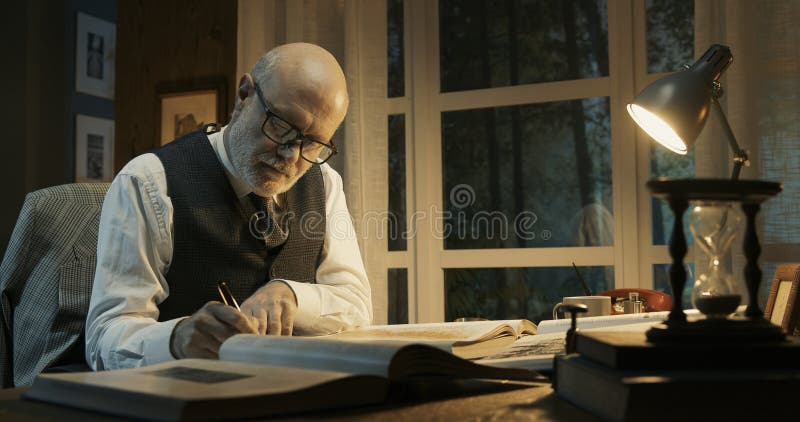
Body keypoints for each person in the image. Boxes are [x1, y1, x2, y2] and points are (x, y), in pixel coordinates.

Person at [85, 43, 372, 370]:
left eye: (314, 142)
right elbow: (104, 337)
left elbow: (355, 303)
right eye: (281, 126)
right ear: (244, 95)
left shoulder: (325, 182)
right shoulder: (149, 182)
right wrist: (176, 340)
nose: (292, 155)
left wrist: (292, 295)